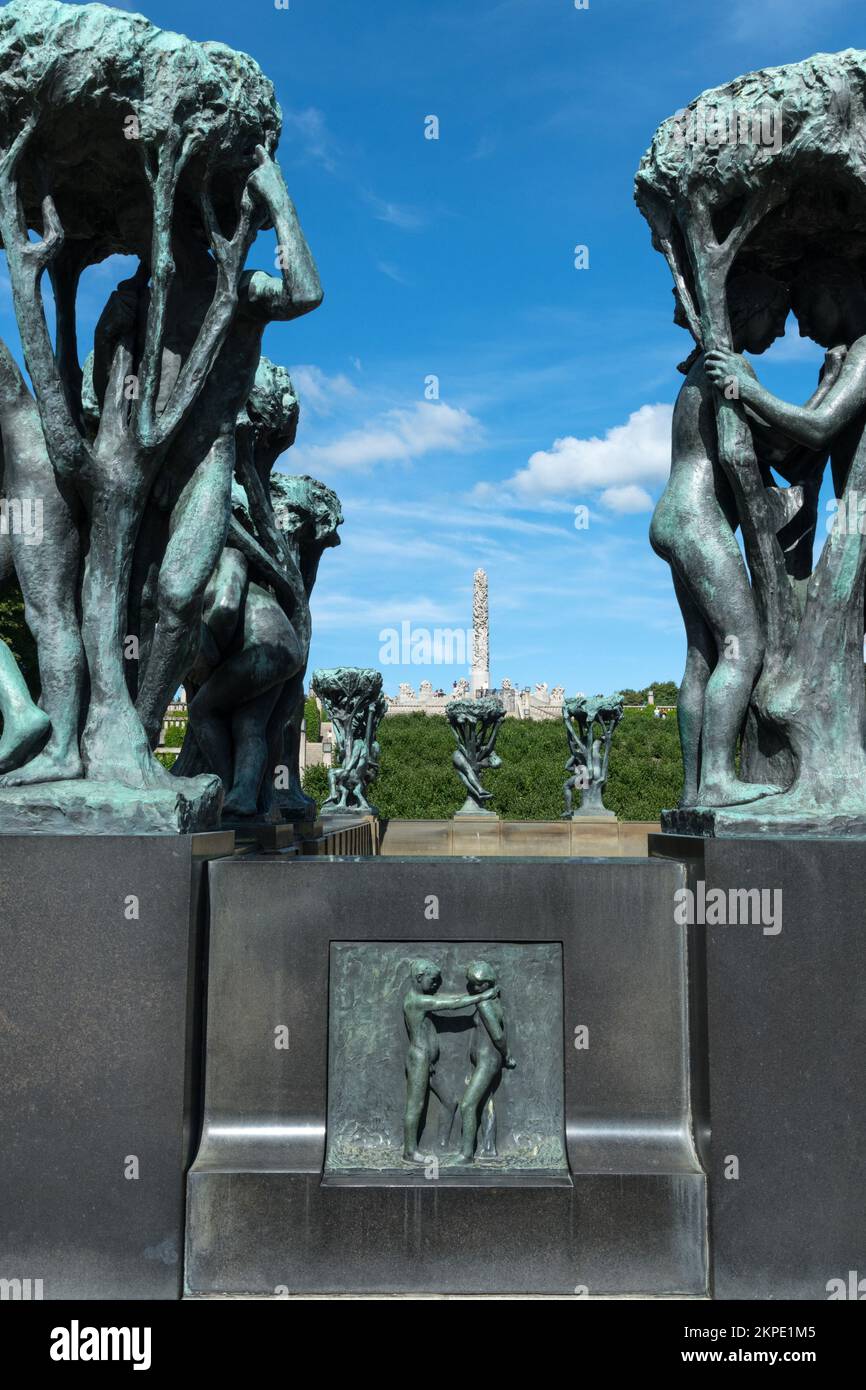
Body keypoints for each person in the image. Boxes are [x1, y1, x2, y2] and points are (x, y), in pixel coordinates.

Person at [651, 270, 827, 808]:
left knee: (701, 658)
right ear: (751, 311)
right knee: (743, 645)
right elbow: (774, 446)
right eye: (776, 318)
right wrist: (819, 411)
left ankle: (692, 790)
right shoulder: (730, 368)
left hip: (674, 517)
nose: (780, 331)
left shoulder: (699, 374)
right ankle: (718, 781)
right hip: (698, 520)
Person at [402, 960, 497, 1163]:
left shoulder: (424, 997)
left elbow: (449, 997)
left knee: (450, 1101)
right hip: (419, 1059)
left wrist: (473, 996)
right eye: (433, 981)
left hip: (429, 1064)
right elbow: (450, 1004)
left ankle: (442, 1145)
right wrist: (483, 996)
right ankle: (410, 1152)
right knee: (415, 1105)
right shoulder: (415, 1001)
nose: (437, 985)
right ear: (419, 978)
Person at [459, 961, 516, 1163]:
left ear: (488, 983)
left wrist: (507, 1054)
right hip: (484, 1060)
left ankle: (466, 1154)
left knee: (467, 1105)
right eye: (472, 984)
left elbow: (498, 1036)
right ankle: (489, 1149)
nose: (474, 988)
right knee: (486, 1103)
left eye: (477, 984)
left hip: (488, 1061)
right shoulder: (488, 999)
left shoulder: (484, 1004)